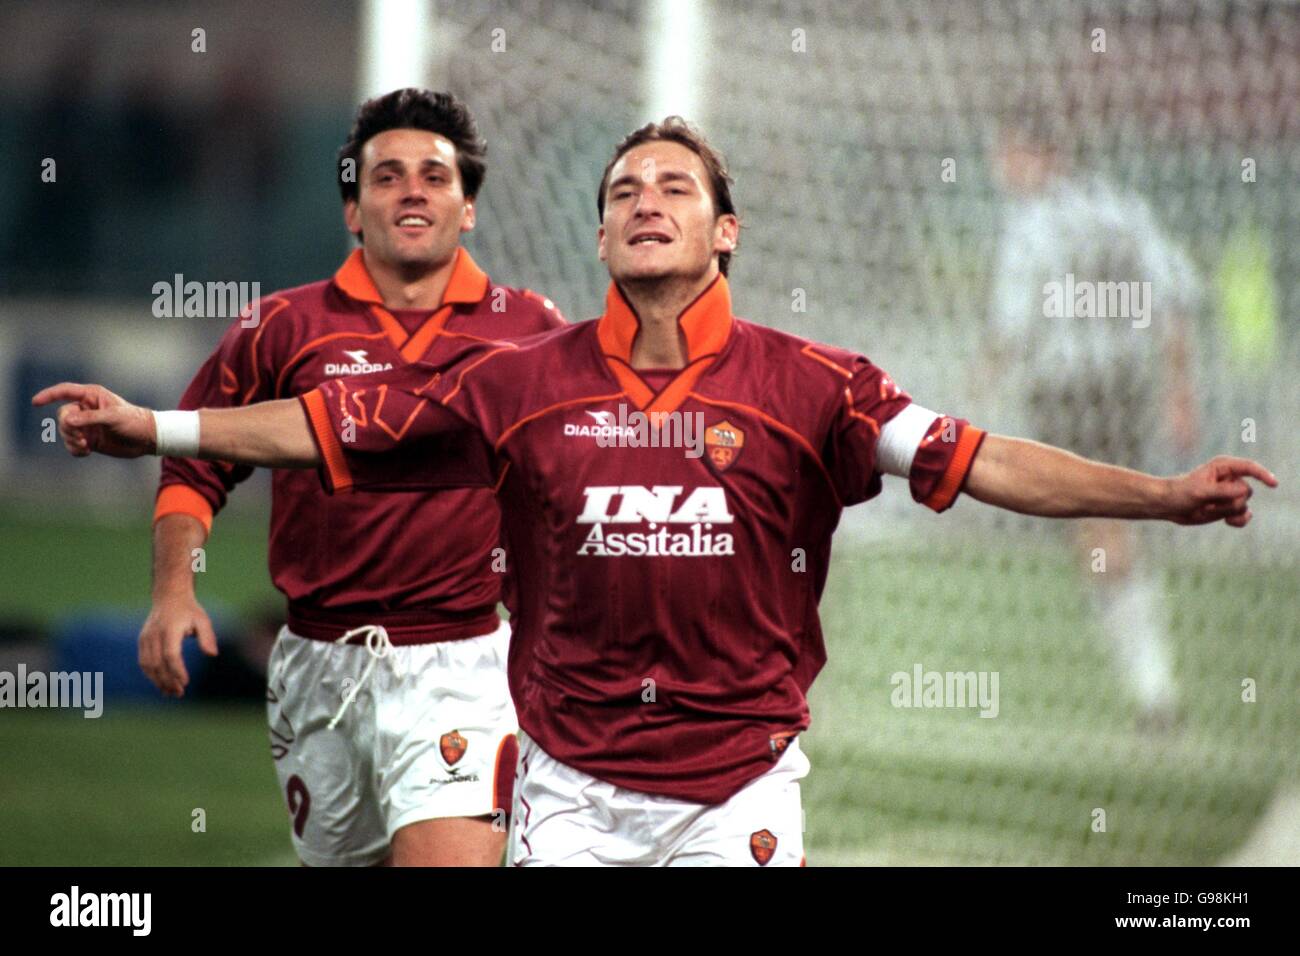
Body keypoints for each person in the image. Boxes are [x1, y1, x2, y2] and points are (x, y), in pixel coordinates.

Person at [37, 117, 1276, 867]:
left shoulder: (814, 385)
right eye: (623, 190)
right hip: (569, 789)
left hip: (740, 781)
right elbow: (324, 424)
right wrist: (156, 423)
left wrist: (1159, 494)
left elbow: (985, 455)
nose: (645, 202)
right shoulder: (515, 382)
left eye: (674, 187)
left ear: (725, 232)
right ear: (595, 242)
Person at [134, 88, 563, 867]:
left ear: (467, 207)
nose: (412, 191)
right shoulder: (281, 326)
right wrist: (172, 593)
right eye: (387, 176)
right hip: (316, 665)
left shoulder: (529, 330)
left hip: (461, 663)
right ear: (352, 209)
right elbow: (194, 464)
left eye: (435, 177)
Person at [988, 115, 1202, 727]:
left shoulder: (1030, 225)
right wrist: (1179, 391)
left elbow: (1010, 329)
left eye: (1010, 155)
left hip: (1066, 390)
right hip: (1125, 386)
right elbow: (1176, 297)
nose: (1003, 171)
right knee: (1107, 532)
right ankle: (1151, 681)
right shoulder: (1122, 207)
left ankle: (1154, 691)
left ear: (1040, 154)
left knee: (1100, 536)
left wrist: (974, 394)